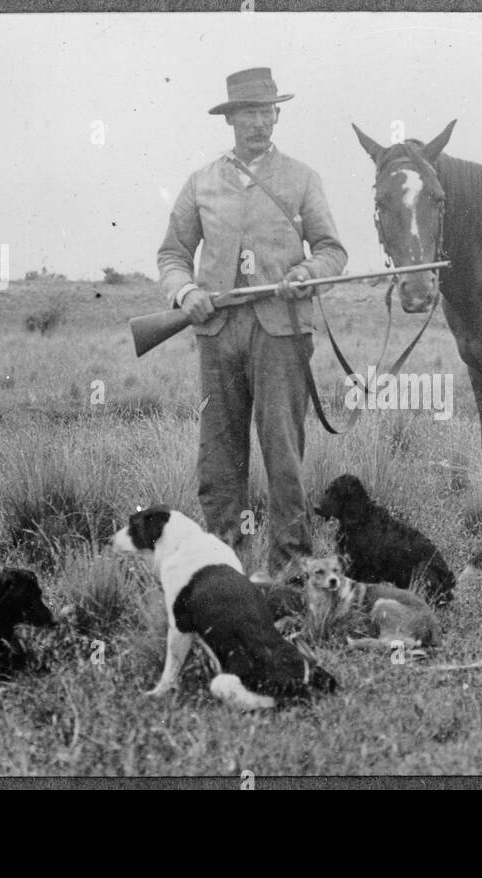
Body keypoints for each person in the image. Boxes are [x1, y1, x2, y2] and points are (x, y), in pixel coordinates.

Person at [157, 67, 348, 576]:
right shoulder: (201, 181)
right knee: (219, 456)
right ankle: (224, 566)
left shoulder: (303, 178)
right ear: (231, 119)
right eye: (248, 113)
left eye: (266, 112)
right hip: (218, 334)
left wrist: (308, 271)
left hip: (280, 332)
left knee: (283, 452)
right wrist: (186, 290)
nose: (258, 123)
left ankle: (289, 570)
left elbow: (332, 250)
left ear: (277, 115)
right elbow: (172, 253)